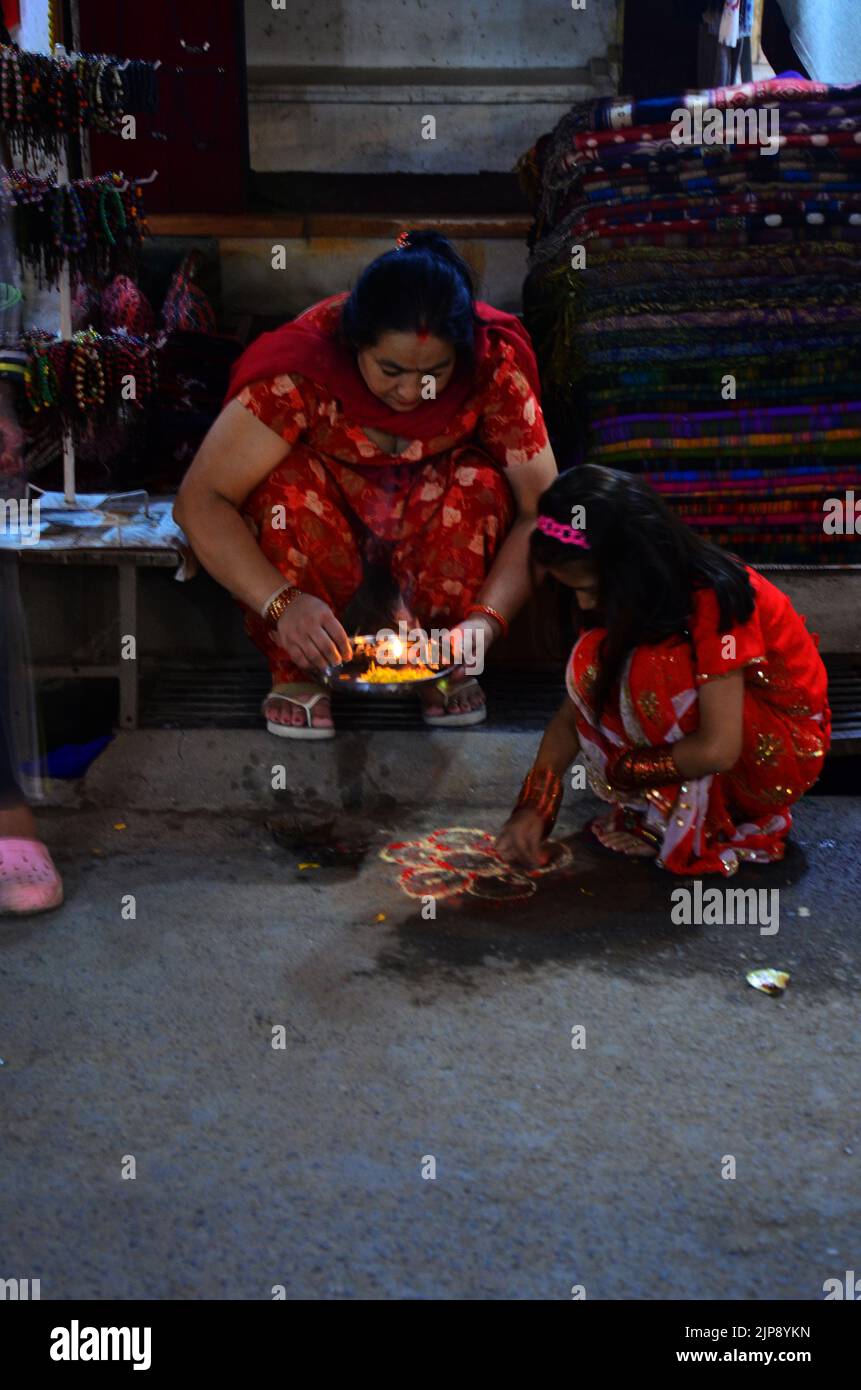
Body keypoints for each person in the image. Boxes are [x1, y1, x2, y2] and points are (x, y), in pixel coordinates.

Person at [173, 231, 557, 737]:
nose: (410, 391)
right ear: (355, 343)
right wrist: (281, 602)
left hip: (432, 513)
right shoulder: (299, 370)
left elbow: (543, 509)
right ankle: (301, 668)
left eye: (434, 372)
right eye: (390, 370)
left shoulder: (492, 368)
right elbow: (200, 501)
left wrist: (484, 622)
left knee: (479, 483)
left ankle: (442, 661)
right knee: (284, 487)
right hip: (326, 515)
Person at [496, 465, 830, 876]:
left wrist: (626, 770)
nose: (584, 606)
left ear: (633, 568)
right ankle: (667, 806)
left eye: (590, 590)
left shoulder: (716, 599)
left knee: (656, 670)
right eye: (574, 591)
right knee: (595, 661)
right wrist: (535, 805)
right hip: (721, 741)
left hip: (778, 749)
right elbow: (572, 716)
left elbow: (719, 748)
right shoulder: (632, 594)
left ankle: (680, 819)